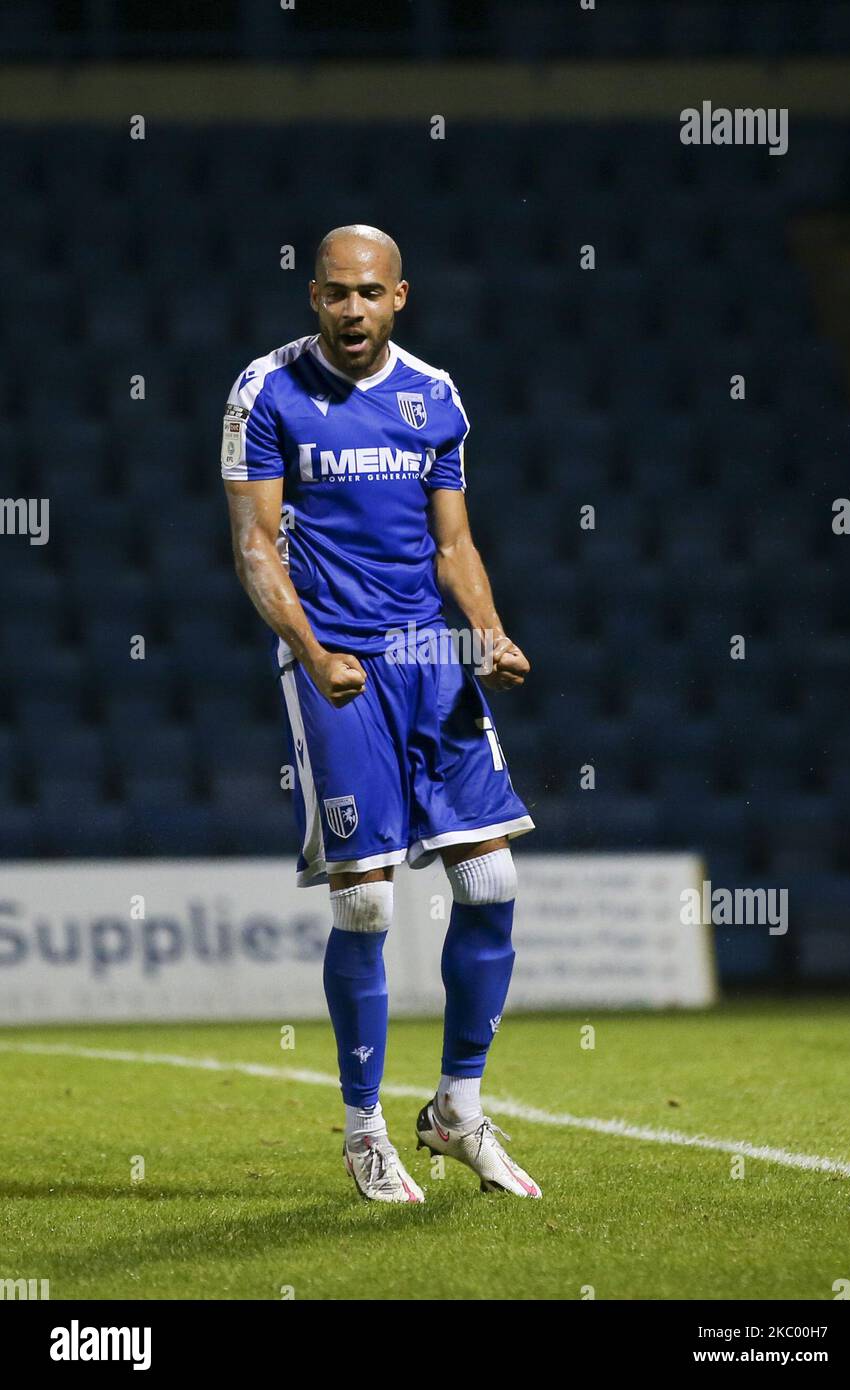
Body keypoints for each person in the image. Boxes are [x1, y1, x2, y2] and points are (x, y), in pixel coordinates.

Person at [222, 224, 540, 1202]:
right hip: (337, 661)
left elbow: (453, 544)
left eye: (368, 293)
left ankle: (456, 1110)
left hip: (425, 658)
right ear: (311, 298)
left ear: (399, 296)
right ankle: (363, 1127)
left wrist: (484, 628)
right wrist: (314, 653)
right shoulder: (264, 393)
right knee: (364, 898)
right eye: (333, 293)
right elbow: (255, 542)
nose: (351, 309)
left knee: (490, 881)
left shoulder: (434, 396)